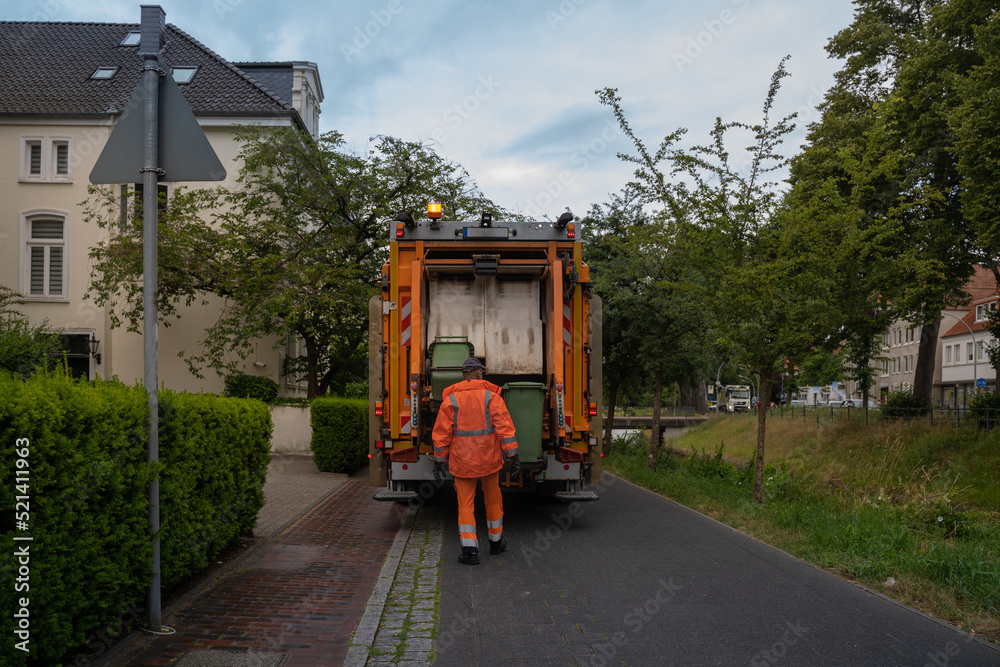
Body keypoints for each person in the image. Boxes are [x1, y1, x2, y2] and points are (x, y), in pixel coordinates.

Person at [432, 357, 520, 565]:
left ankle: (470, 552)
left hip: (462, 460)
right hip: (488, 458)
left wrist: (439, 460)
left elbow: (441, 434)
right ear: (480, 373)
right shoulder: (492, 398)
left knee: (465, 505)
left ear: (464, 374)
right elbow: (504, 430)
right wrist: (513, 456)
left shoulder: (450, 400)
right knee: (493, 500)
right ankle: (496, 543)